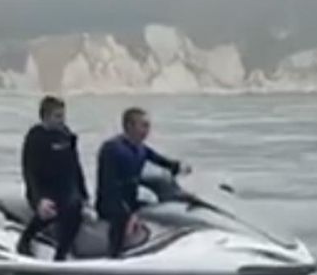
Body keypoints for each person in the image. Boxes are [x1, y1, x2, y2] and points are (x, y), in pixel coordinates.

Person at [95, 107, 188, 258]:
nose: (147, 130)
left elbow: (162, 161)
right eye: (143, 125)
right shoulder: (112, 149)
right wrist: (129, 213)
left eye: (148, 126)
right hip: (111, 204)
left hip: (131, 201)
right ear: (130, 126)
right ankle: (113, 258)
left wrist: (180, 167)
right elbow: (109, 186)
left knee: (162, 209)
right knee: (121, 219)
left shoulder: (140, 148)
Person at [15, 96, 88, 260]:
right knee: (52, 210)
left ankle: (61, 255)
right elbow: (29, 172)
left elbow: (75, 167)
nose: (62, 120)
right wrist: (39, 200)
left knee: (75, 209)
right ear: (45, 116)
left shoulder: (66, 135)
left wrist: (84, 195)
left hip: (63, 189)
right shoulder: (35, 137)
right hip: (43, 190)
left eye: (63, 115)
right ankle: (25, 240)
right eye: (58, 116)